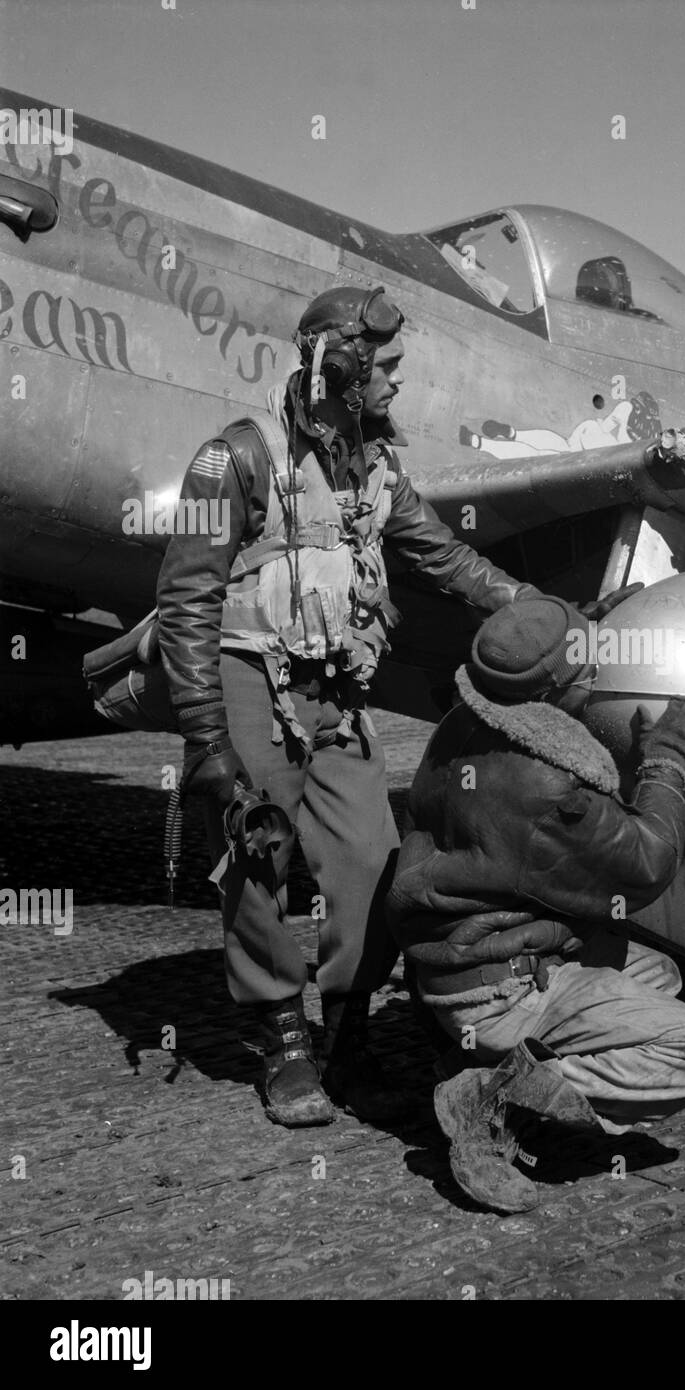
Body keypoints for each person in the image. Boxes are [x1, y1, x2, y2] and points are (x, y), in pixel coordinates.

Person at [157, 285, 557, 1129]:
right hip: (245, 678)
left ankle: (346, 1039)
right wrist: (205, 741)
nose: (398, 385)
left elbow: (445, 558)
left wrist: (533, 605)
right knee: (255, 856)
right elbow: (185, 600)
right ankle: (283, 1044)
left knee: (373, 862)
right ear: (342, 364)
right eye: (390, 369)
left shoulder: (376, 470)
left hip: (336, 694)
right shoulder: (232, 459)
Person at [386, 596, 685, 1213]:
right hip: (498, 994)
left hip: (450, 962)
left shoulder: (460, 725)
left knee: (659, 973)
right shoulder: (550, 786)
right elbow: (648, 864)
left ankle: (476, 1058)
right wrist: (666, 762)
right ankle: (494, 1101)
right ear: (557, 694)